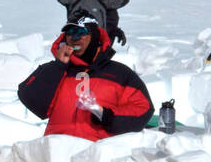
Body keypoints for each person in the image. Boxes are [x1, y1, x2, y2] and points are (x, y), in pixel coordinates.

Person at [17, 18, 153, 141]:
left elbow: (143, 109)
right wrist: (58, 66)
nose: (74, 38)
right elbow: (28, 97)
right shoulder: (57, 70)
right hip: (56, 148)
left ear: (94, 36)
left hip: (95, 151)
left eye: (81, 32)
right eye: (69, 33)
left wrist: (105, 115)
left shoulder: (119, 73)